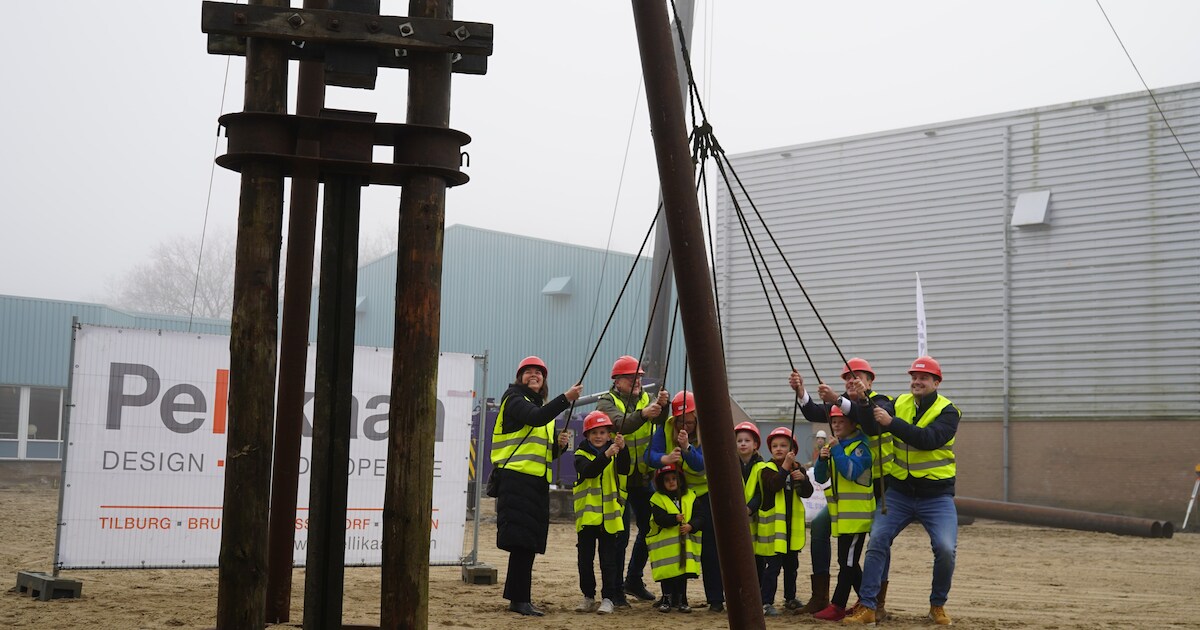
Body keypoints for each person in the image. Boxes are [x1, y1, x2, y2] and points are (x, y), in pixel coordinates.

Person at [843, 356, 961, 626]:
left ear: (936, 382)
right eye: (913, 377)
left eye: (923, 378)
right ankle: (870, 607)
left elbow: (927, 440)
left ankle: (937, 605)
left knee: (945, 549)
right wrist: (863, 400)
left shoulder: (949, 411)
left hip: (937, 496)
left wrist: (891, 423)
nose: (916, 382)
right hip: (899, 493)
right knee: (878, 541)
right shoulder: (898, 403)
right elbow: (873, 428)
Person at [788, 358, 893, 616]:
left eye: (857, 377)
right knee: (821, 530)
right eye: (847, 378)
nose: (851, 381)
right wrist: (801, 392)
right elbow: (816, 412)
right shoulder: (841, 405)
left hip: (883, 488)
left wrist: (838, 400)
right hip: (849, 495)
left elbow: (868, 421)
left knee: (879, 542)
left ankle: (875, 602)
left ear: (871, 380)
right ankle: (820, 596)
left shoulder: (883, 402)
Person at [491, 355, 583, 616]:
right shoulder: (514, 400)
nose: (534, 375)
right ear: (519, 377)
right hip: (516, 479)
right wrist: (566, 398)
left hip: (533, 482)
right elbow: (538, 418)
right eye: (528, 371)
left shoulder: (535, 404)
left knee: (527, 543)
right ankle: (520, 600)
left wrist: (559, 447)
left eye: (538, 372)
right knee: (522, 543)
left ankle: (518, 598)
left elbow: (542, 450)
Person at [595, 355, 669, 604]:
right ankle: (615, 591)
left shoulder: (646, 399)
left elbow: (659, 421)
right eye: (632, 377)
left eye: (639, 377)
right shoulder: (606, 402)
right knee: (620, 535)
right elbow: (620, 424)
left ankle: (633, 580)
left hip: (643, 476)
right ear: (617, 380)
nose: (637, 381)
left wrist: (663, 406)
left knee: (651, 527)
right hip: (618, 479)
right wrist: (647, 413)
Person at [649, 391, 725, 612]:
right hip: (673, 494)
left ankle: (715, 598)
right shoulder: (664, 430)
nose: (686, 425)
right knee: (670, 544)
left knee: (709, 547)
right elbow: (649, 456)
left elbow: (702, 465)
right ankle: (672, 596)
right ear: (674, 420)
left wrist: (686, 449)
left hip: (701, 495)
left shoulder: (706, 433)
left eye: (690, 421)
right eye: (681, 421)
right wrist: (665, 459)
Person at [811, 406, 874, 622]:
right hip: (843, 517)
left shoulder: (861, 447)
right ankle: (867, 601)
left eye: (841, 421)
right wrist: (822, 460)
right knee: (847, 561)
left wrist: (836, 451)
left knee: (847, 563)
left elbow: (850, 472)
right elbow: (820, 478)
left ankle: (837, 605)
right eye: (833, 421)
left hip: (857, 517)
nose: (836, 425)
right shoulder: (835, 446)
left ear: (853, 423)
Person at [573, 410, 631, 614]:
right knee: (585, 560)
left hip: (609, 518)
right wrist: (607, 455)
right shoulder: (580, 455)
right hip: (588, 518)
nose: (599, 436)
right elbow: (589, 471)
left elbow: (625, 469)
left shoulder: (615, 453)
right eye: (594, 432)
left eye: (603, 432)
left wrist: (623, 450)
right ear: (587, 436)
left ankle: (608, 598)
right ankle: (588, 596)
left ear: (609, 435)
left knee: (609, 561)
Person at [760, 427, 814, 614]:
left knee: (792, 566)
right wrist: (785, 467)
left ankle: (790, 598)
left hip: (792, 529)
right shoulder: (766, 469)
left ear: (792, 449)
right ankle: (766, 602)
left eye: (783, 445)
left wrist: (803, 480)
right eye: (775, 446)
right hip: (775, 530)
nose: (779, 449)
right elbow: (774, 485)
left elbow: (807, 493)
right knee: (772, 568)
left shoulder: (798, 468)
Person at [647, 464, 702, 613]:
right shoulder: (658, 499)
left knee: (682, 576)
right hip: (666, 549)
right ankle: (666, 599)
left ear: (681, 480)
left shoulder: (691, 496)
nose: (671, 482)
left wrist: (691, 526)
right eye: (667, 480)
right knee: (667, 576)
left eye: (674, 479)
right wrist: (674, 519)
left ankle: (682, 599)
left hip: (685, 546)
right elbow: (659, 519)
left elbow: (699, 517)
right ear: (661, 483)